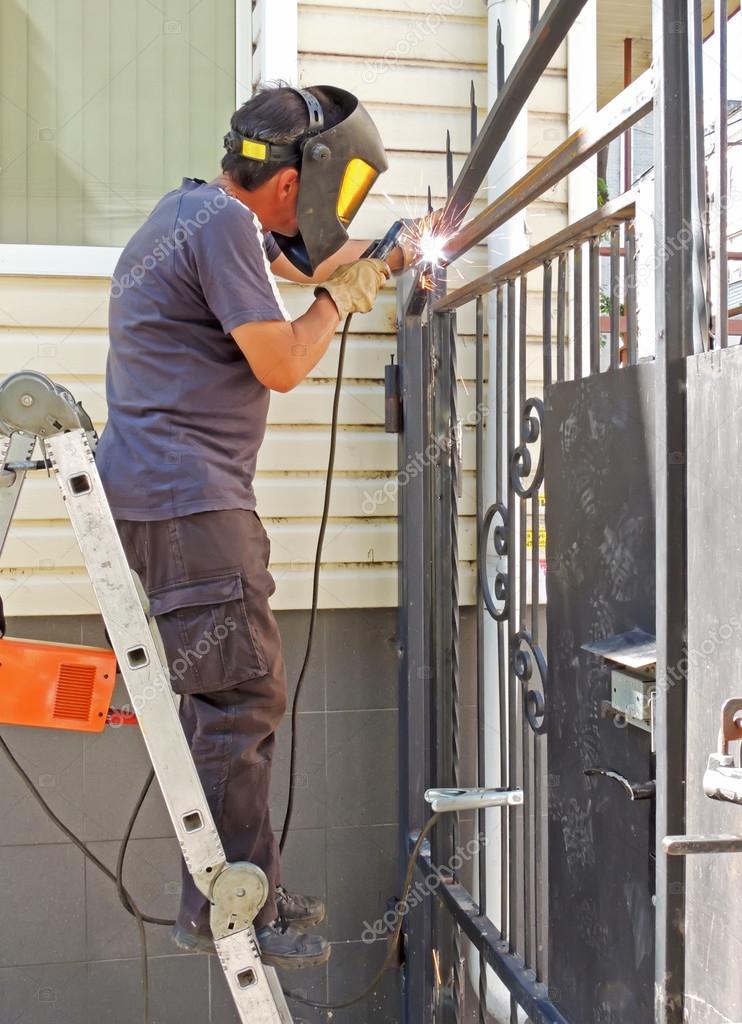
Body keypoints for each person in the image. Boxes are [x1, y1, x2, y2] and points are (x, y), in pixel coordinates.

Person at [96, 84, 430, 970]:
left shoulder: (193, 214)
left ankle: (242, 893)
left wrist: (387, 258)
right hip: (192, 503)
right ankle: (236, 907)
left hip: (164, 498)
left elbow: (305, 264)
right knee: (238, 702)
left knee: (228, 701)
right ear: (294, 181)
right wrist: (341, 301)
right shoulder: (222, 227)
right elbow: (282, 360)